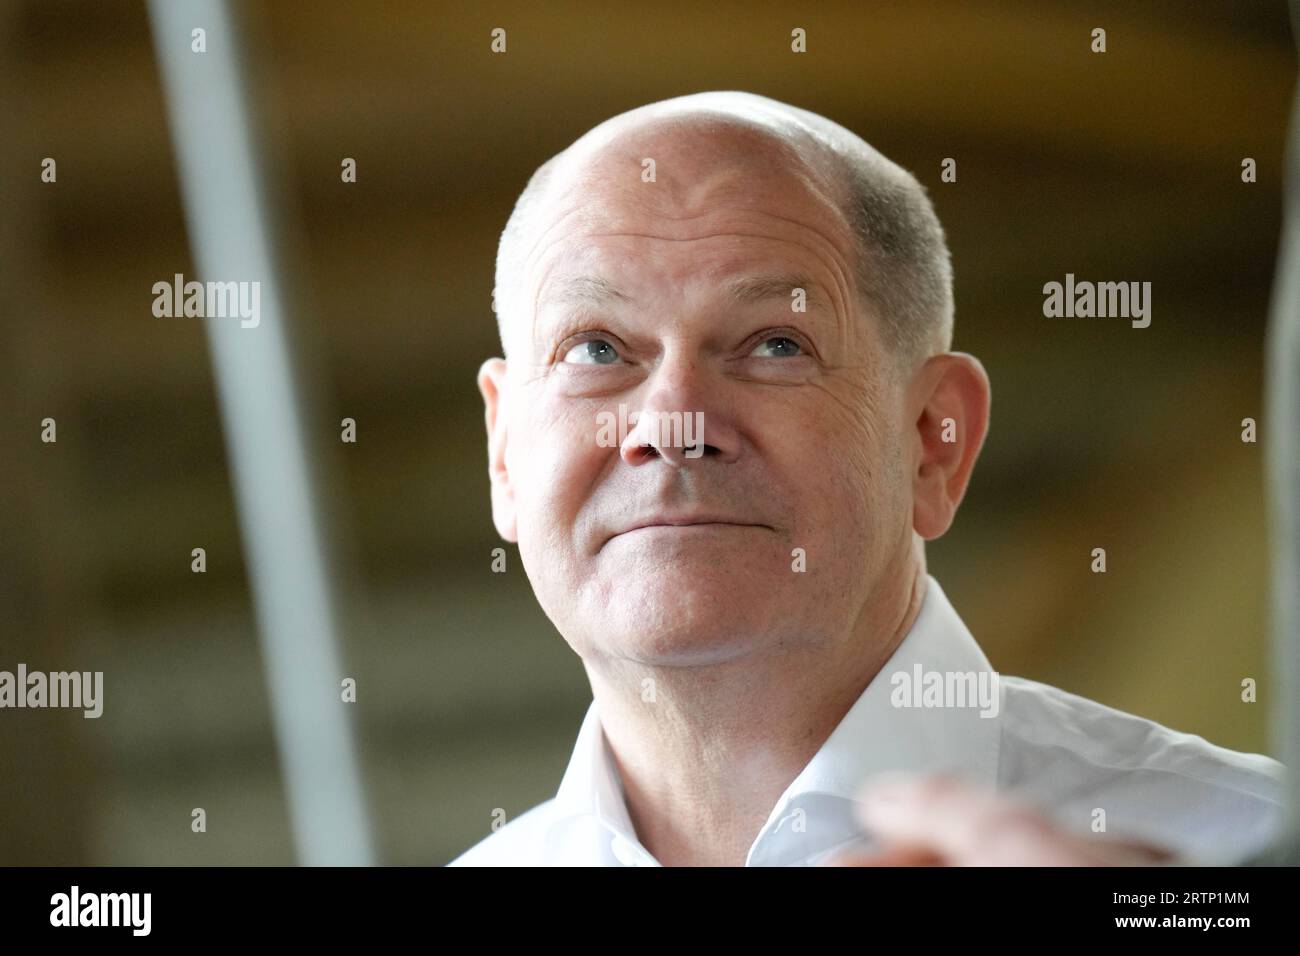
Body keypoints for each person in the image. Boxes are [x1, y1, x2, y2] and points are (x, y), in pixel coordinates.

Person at [450, 91, 1283, 866]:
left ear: (933, 442)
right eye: (596, 349)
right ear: (504, 452)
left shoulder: (1237, 848)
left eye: (776, 344)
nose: (673, 426)